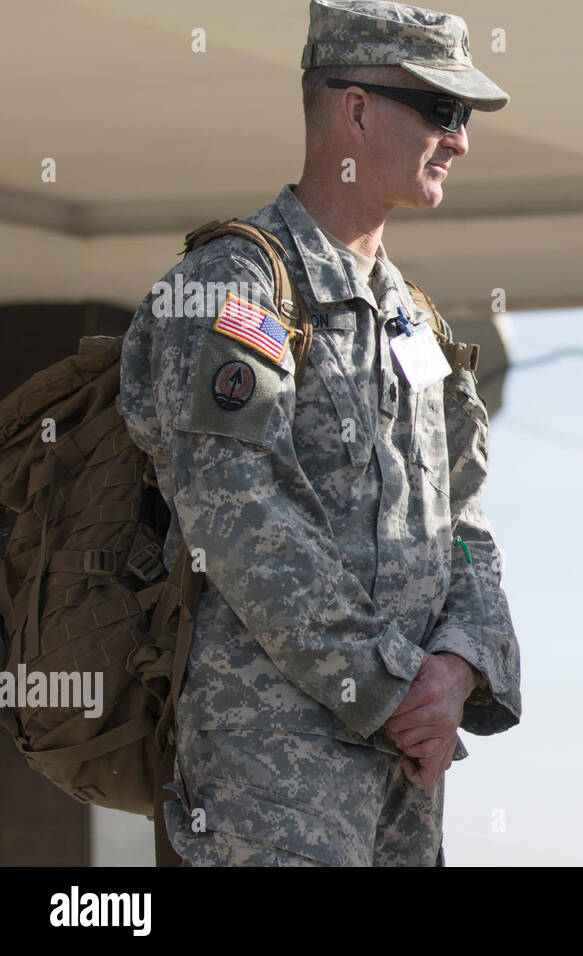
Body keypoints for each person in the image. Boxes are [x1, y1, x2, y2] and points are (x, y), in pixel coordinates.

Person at [119, 0, 520, 866]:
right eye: (443, 111)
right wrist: (394, 685)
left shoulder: (409, 317)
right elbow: (236, 516)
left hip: (405, 780)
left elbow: (466, 520)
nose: (460, 140)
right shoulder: (242, 287)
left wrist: (457, 665)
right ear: (358, 110)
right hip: (275, 785)